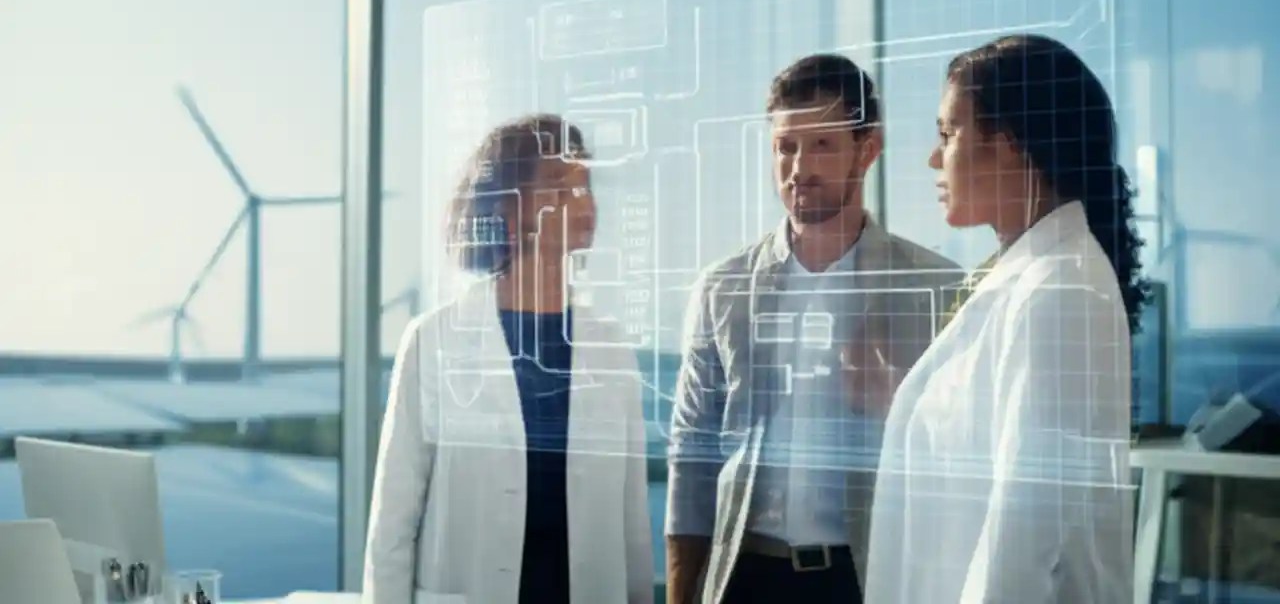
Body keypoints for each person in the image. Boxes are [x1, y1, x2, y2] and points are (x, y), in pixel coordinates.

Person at [665, 54, 962, 604]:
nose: (800, 166)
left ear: (868, 149)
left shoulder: (938, 289)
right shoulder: (723, 287)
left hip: (868, 578)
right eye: (786, 146)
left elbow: (961, 461)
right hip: (744, 578)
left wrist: (892, 403)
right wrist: (683, 593)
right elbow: (692, 449)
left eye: (822, 144)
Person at [864, 34, 1149, 603]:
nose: (931, 157)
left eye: (947, 134)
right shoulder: (1025, 277)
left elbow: (1022, 544)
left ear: (1011, 143)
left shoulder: (1059, 289)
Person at [364, 114, 653, 604]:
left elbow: (632, 525)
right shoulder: (434, 341)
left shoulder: (611, 349)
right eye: (561, 187)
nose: (583, 203)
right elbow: (393, 523)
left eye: (585, 185)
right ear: (508, 208)